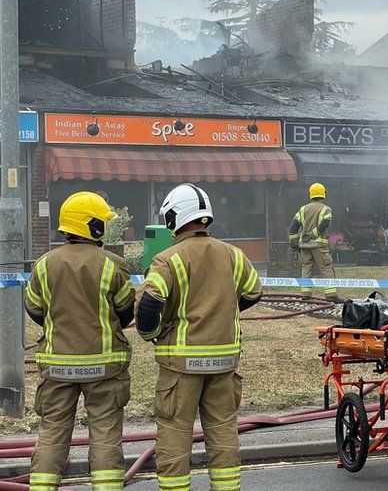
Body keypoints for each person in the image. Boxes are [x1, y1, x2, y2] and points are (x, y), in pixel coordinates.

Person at [137, 183, 262, 491]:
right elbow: (253, 291)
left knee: (174, 434)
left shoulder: (168, 259)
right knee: (222, 433)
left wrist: (154, 334)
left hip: (181, 367)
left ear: (172, 219)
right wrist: (224, 312)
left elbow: (149, 306)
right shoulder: (234, 255)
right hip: (223, 364)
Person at [25, 192, 134, 491]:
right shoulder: (113, 264)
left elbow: (34, 309)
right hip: (105, 368)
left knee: (52, 434)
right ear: (93, 227)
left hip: (57, 367)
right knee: (106, 435)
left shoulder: (44, 265)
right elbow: (125, 312)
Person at [288, 183, 340, 302]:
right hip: (319, 245)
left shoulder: (303, 209)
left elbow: (293, 227)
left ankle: (305, 295)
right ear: (323, 194)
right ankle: (331, 295)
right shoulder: (326, 209)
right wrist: (313, 235)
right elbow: (324, 224)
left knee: (306, 268)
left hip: (304, 245)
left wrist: (294, 243)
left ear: (310, 194)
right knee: (326, 267)